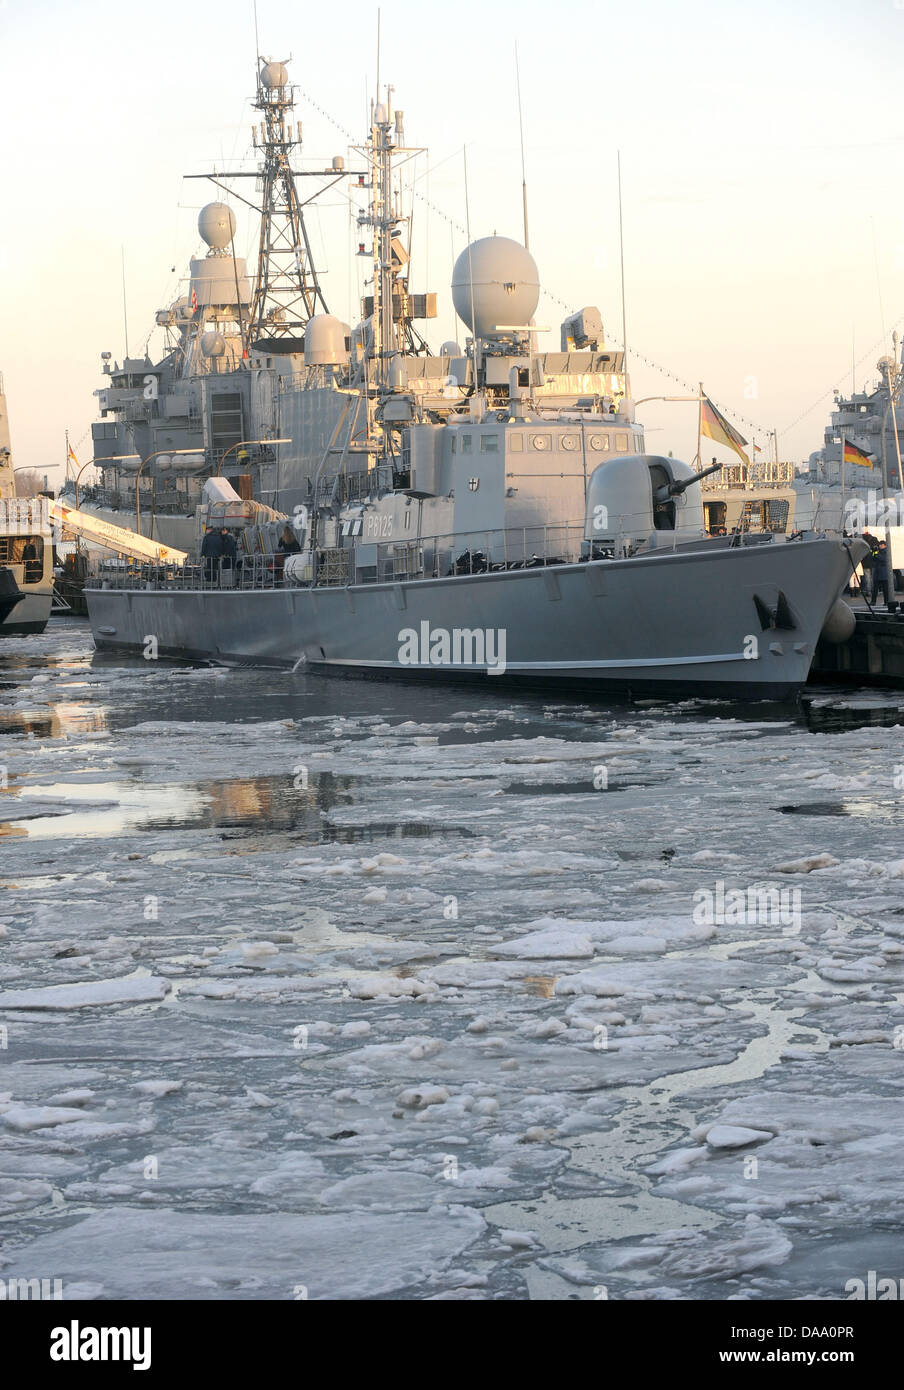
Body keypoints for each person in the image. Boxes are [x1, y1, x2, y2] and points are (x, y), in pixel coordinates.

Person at [873, 540, 891, 606]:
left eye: (881, 545)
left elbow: (883, 559)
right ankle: (873, 601)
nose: (879, 546)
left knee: (885, 589)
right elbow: (873, 558)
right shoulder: (878, 551)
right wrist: (874, 552)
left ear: (884, 545)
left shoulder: (886, 551)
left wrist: (877, 554)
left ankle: (886, 602)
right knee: (875, 589)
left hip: (883, 573)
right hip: (878, 573)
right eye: (879, 545)